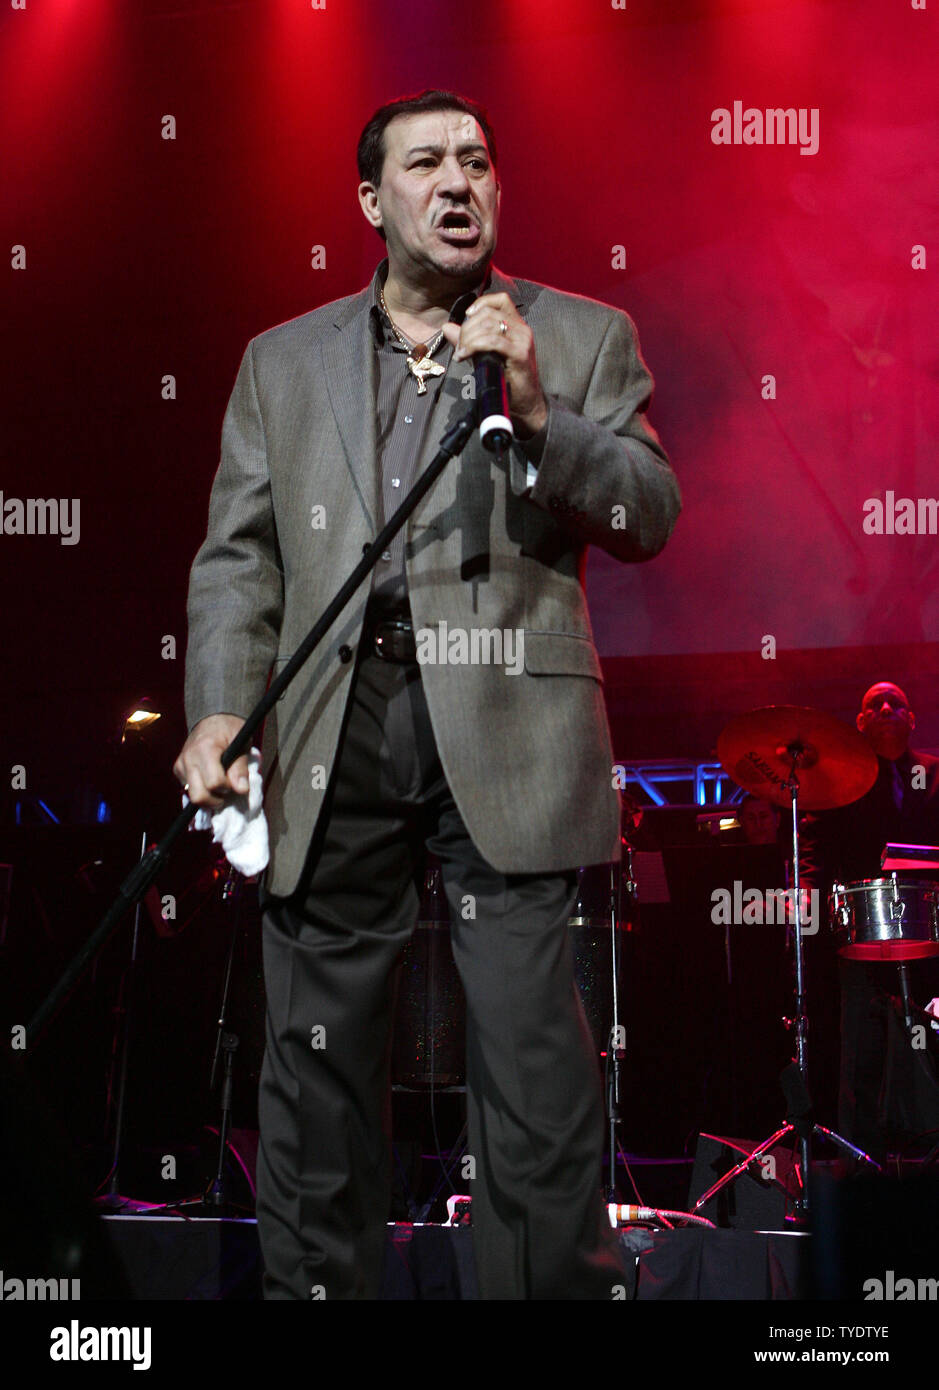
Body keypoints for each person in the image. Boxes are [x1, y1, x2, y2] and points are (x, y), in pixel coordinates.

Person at [174, 88, 680, 1299]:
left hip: (509, 721)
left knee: (534, 1073)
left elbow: (646, 513)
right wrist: (217, 707)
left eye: (478, 162)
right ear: (370, 199)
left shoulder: (580, 330)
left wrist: (543, 411)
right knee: (316, 1073)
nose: (458, 183)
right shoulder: (281, 362)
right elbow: (241, 558)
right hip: (330, 726)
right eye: (425, 164)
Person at [801, 682, 939, 1161]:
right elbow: (815, 852)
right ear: (859, 723)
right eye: (873, 705)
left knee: (927, 1044)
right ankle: (860, 1165)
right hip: (862, 933)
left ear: (912, 718)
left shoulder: (935, 773)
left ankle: (926, 1150)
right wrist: (806, 896)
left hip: (929, 936)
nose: (885, 709)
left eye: (896, 703)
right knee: (860, 1051)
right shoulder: (841, 780)